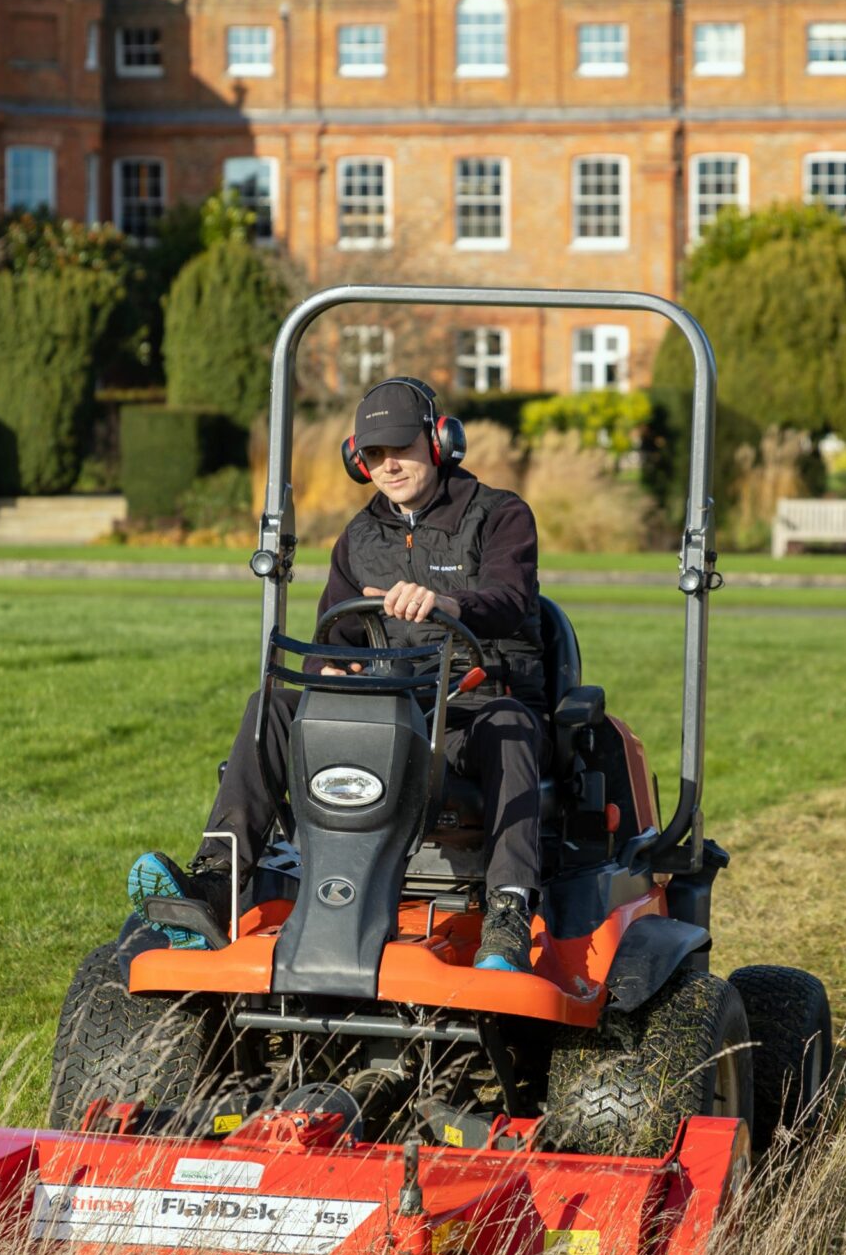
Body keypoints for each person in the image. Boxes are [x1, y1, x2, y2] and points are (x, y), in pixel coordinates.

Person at [129, 376, 547, 972]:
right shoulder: (358, 537)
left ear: (439, 441)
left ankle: (507, 913)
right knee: (271, 704)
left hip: (473, 706)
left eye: (401, 447)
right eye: (374, 454)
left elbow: (510, 595)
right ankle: (217, 884)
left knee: (511, 726)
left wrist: (451, 604)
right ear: (358, 460)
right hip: (390, 710)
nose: (388, 465)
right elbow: (333, 636)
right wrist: (335, 664)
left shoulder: (501, 516)